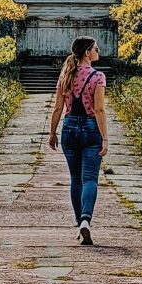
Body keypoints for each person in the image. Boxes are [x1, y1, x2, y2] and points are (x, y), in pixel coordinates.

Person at [48, 35, 108, 246]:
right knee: (90, 178)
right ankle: (85, 220)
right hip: (91, 128)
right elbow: (99, 110)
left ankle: (79, 224)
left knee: (75, 179)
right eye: (96, 49)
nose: (98, 51)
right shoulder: (98, 77)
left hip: (69, 128)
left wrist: (52, 133)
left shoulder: (66, 75)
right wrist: (105, 138)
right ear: (87, 53)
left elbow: (57, 108)